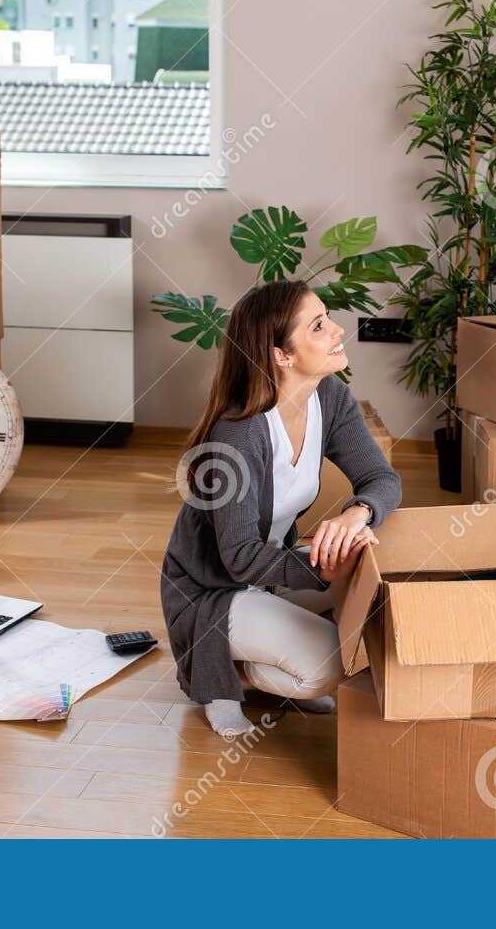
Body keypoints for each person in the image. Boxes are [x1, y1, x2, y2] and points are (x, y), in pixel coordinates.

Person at [161, 279, 401, 738]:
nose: (337, 331)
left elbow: (382, 479)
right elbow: (238, 557)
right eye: (318, 326)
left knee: (373, 602)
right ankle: (218, 675)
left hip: (268, 577)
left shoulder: (328, 398)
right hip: (212, 590)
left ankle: (264, 644)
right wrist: (325, 569)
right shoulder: (238, 434)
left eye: (327, 317)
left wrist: (358, 514)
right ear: (281, 355)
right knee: (330, 664)